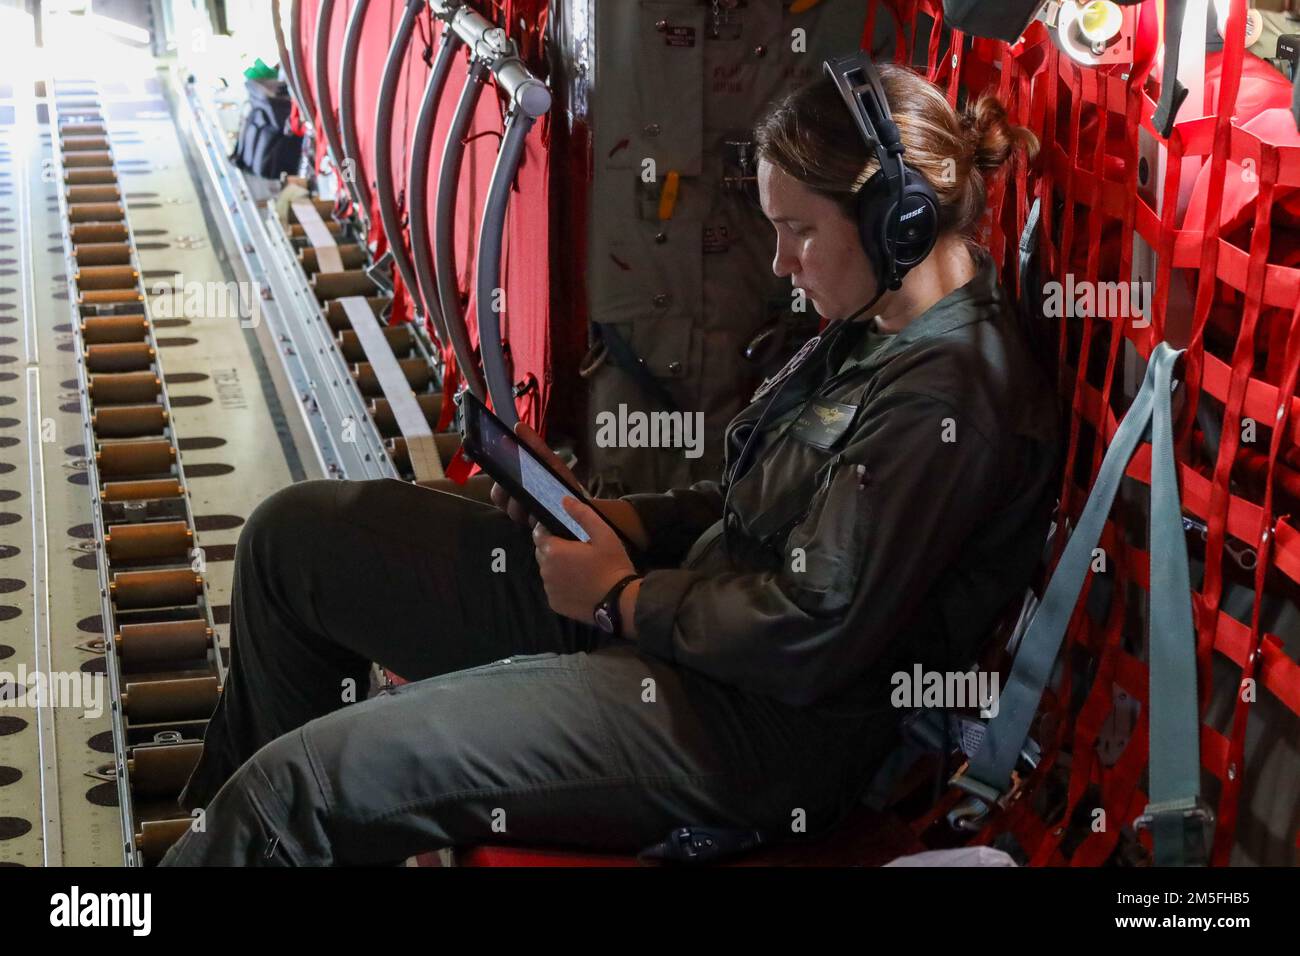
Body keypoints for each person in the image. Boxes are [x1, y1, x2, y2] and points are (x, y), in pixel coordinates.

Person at [159, 57, 1058, 866]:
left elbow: (811, 632)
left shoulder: (950, 400)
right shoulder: (882, 321)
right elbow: (762, 510)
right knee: (299, 543)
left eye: (799, 232)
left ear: (892, 221)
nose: (784, 263)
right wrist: (622, 523)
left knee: (299, 790)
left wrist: (619, 598)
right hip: (675, 620)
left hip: (751, 730)